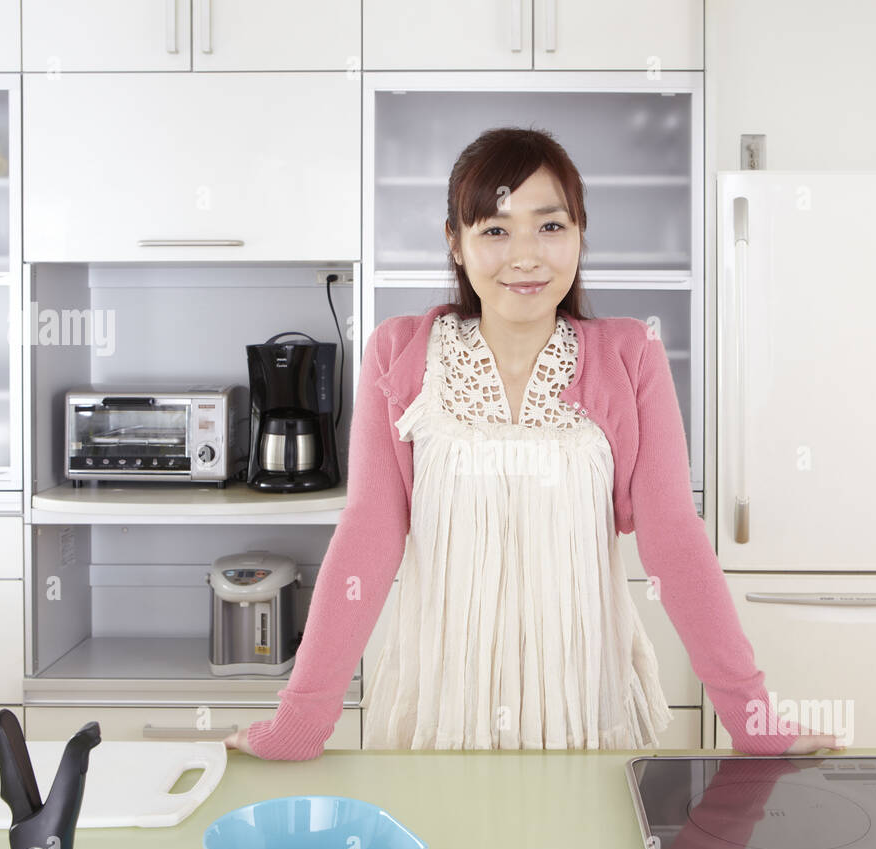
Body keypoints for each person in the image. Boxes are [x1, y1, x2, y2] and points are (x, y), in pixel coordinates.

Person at [227, 127, 843, 758]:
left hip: (583, 712)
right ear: (456, 244)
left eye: (550, 227)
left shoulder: (630, 356)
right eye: (495, 229)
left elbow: (674, 540)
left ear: (579, 234)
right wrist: (300, 721)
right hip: (443, 714)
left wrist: (755, 721)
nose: (526, 255)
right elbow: (367, 537)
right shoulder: (400, 352)